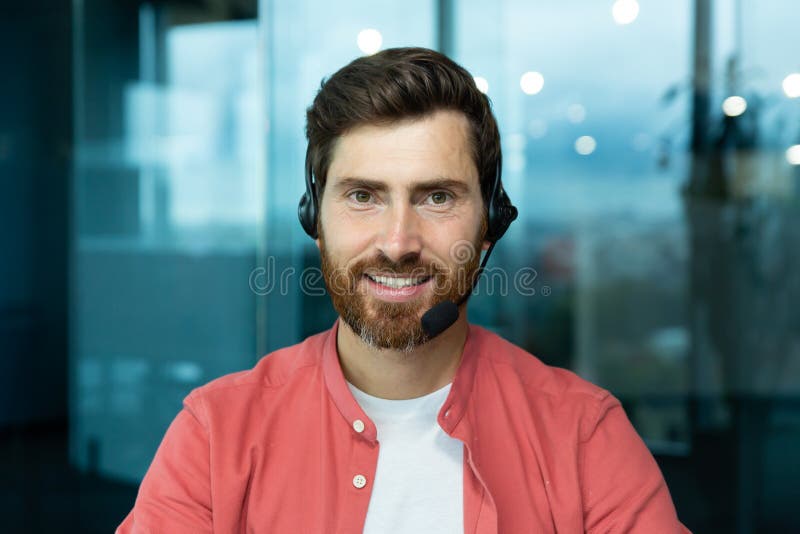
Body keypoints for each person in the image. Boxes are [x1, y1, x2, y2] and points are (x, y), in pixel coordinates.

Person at [117, 47, 690, 533]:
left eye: (437, 197)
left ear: (491, 224)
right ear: (314, 219)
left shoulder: (584, 437)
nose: (397, 242)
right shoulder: (215, 434)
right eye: (363, 195)